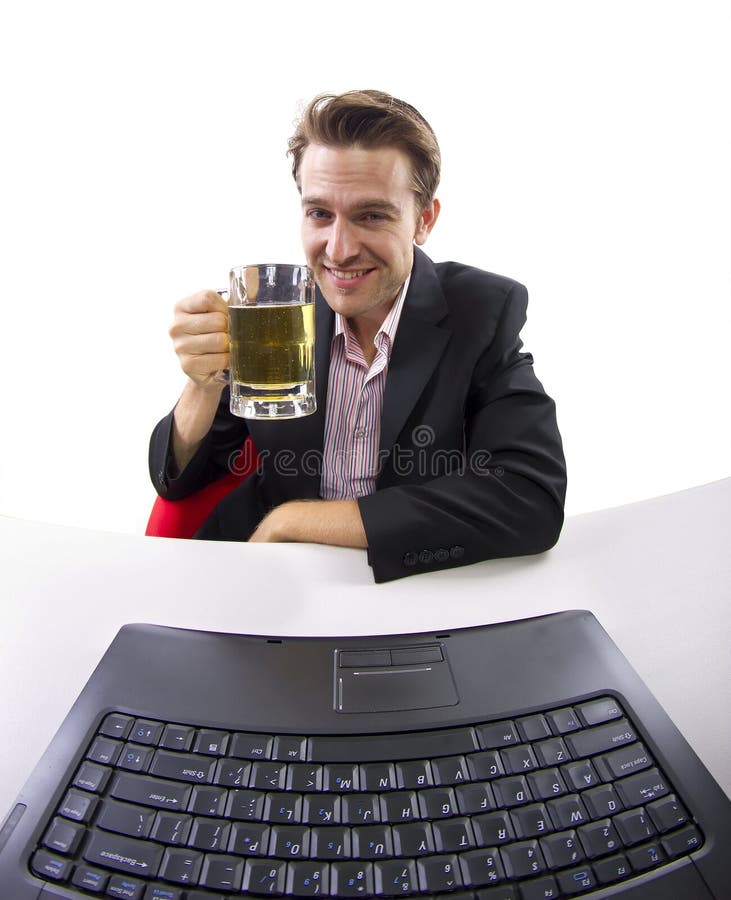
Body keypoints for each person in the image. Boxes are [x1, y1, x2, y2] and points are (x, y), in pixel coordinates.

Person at [149, 89, 567, 583]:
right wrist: (202, 384)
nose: (339, 250)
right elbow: (177, 485)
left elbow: (528, 497)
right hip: (269, 580)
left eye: (371, 215)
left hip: (406, 586)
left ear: (424, 220)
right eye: (319, 214)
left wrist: (295, 520)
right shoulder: (273, 311)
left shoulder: (482, 312)